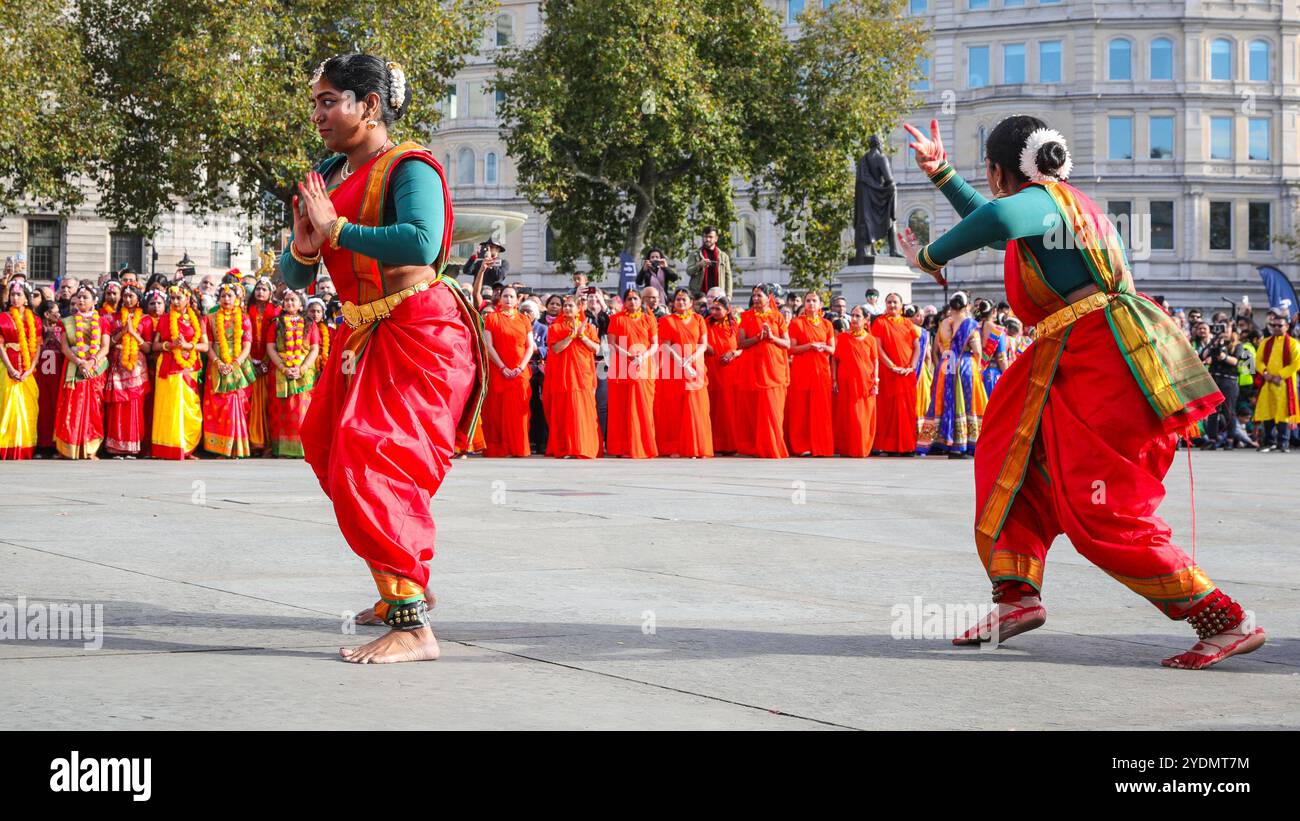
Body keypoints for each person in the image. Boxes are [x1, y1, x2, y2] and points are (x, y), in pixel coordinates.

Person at [900, 114, 1261, 668]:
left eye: (987, 174)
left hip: (1098, 360)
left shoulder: (1042, 202)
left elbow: (997, 215)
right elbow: (999, 221)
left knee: (1098, 507)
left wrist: (927, 258)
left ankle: (1223, 617)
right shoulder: (1063, 207)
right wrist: (943, 173)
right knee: (1006, 461)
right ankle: (1016, 595)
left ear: (999, 172)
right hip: (1068, 355)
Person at [282, 54, 487, 663]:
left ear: (368, 106)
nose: (317, 113)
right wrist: (303, 242)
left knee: (375, 459)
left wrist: (338, 231)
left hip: (418, 327)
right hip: (359, 332)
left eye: (329, 101)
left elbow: (422, 241)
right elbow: (296, 269)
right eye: (316, 102)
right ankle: (392, 583)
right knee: (325, 445)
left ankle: (413, 624)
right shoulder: (327, 172)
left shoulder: (409, 166)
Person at [918, 291, 985, 458]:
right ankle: (961, 444)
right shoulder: (970, 324)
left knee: (941, 401)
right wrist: (977, 365)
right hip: (964, 365)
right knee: (966, 403)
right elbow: (977, 351)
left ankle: (940, 441)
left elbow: (937, 350)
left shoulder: (943, 323)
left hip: (945, 365)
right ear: (966, 305)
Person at [54, 285, 111, 459]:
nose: (81, 300)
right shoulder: (67, 321)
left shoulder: (102, 321)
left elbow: (105, 347)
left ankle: (91, 448)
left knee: (94, 407)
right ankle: (68, 448)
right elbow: (64, 347)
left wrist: (91, 362)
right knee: (71, 405)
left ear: (95, 301)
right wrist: (80, 363)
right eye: (79, 297)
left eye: (85, 297)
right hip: (73, 365)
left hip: (95, 369)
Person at [655, 288, 713, 458]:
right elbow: (664, 344)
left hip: (695, 365)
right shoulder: (667, 321)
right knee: (676, 408)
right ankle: (677, 447)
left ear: (691, 302)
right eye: (678, 299)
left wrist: (692, 357)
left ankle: (698, 446)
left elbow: (703, 343)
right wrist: (680, 360)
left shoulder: (699, 319)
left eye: (684, 299)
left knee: (697, 407)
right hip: (674, 366)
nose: (681, 302)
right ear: (673, 302)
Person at [152, 285, 207, 459]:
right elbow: (155, 345)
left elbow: (205, 346)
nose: (175, 301)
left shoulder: (198, 320)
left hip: (189, 368)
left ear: (188, 300)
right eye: (173, 298)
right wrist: (171, 345)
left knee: (190, 408)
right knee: (169, 408)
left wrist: (187, 346)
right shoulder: (164, 319)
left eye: (179, 298)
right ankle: (170, 448)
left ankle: (188, 448)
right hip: (168, 367)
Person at [202, 283, 256, 458]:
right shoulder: (210, 318)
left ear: (237, 298)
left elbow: (247, 345)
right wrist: (218, 362)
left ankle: (235, 448)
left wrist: (234, 364)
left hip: (238, 365)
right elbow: (208, 346)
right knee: (218, 406)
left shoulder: (245, 318)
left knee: (235, 404)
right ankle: (219, 448)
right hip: (217, 365)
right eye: (223, 296)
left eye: (230, 296)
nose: (226, 299)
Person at [736, 286, 791, 458]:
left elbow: (788, 344)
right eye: (754, 296)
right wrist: (758, 338)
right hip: (753, 368)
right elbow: (741, 342)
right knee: (754, 409)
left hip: (774, 369)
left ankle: (773, 447)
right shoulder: (746, 316)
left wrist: (772, 338)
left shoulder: (778, 316)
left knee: (772, 408)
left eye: (759, 295)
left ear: (769, 297)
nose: (756, 299)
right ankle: (755, 446)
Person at [544, 294, 601, 458]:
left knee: (583, 412)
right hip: (563, 377)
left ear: (578, 309)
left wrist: (582, 336)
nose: (567, 308)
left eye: (571, 306)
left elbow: (596, 349)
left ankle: (583, 447)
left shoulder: (588, 327)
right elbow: (556, 349)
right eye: (565, 306)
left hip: (583, 376)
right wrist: (571, 335)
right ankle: (566, 448)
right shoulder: (555, 328)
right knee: (565, 412)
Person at [482, 285, 535, 457]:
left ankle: (518, 447)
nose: (508, 299)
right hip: (499, 370)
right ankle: (499, 447)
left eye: (512, 296)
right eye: (505, 296)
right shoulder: (491, 318)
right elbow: (488, 345)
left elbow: (530, 347)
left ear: (517, 299)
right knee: (497, 411)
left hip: (520, 371)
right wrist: (502, 367)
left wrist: (520, 367)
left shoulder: (524, 319)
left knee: (519, 412)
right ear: (500, 298)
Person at [605, 288, 658, 458]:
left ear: (641, 301)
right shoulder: (616, 319)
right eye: (629, 299)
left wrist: (643, 356)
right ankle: (622, 448)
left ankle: (642, 447)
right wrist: (628, 355)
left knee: (642, 407)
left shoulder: (649, 320)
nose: (632, 302)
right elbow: (611, 343)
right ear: (625, 302)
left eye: (635, 299)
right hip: (621, 365)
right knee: (621, 407)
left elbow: (654, 344)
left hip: (643, 366)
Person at [266, 290, 318, 458]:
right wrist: (283, 367)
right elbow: (270, 347)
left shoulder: (310, 323)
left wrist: (302, 368)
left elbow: (315, 348)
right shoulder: (276, 323)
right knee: (281, 410)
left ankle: (302, 449)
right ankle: (281, 449)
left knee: (302, 410)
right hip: (281, 371)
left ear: (301, 304)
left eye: (293, 300)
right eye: (286, 300)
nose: (289, 303)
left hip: (304, 371)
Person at [104, 286, 153, 458]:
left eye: (131, 296)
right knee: (117, 404)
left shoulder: (146, 320)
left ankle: (132, 447)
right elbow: (106, 345)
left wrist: (133, 333)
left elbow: (148, 348)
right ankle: (115, 447)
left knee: (134, 404)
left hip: (136, 367)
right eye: (124, 296)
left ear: (138, 298)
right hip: (117, 364)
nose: (127, 299)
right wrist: (121, 334)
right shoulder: (112, 318)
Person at [785, 291, 835, 457]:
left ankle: (821, 446)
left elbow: (833, 348)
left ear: (820, 304)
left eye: (814, 301)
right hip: (802, 371)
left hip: (822, 372)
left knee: (821, 410)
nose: (811, 304)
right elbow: (791, 348)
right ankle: (801, 446)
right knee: (801, 409)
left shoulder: (827, 324)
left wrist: (823, 347)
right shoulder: (796, 323)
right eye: (808, 301)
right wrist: (809, 346)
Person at [871, 293, 920, 455]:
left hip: (906, 373)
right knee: (889, 409)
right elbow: (878, 348)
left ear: (901, 305)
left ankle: (908, 446)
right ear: (885, 304)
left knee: (907, 409)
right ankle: (890, 446)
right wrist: (892, 366)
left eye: (895, 302)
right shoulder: (880, 322)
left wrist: (911, 367)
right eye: (889, 302)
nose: (892, 305)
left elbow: (917, 346)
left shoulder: (907, 323)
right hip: (888, 373)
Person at [0, 280, 42, 459]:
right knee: (7, 407)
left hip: (27, 371)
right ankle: (5, 446)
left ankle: (24, 446)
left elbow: (38, 347)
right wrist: (10, 368)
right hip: (7, 367)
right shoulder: (3, 317)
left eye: (19, 295)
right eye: (12, 295)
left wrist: (30, 369)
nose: (15, 298)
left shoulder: (36, 320)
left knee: (28, 408)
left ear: (26, 298)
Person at [832, 306, 879, 457]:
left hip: (865, 383)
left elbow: (875, 361)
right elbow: (835, 360)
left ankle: (862, 447)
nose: (854, 319)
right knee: (847, 415)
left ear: (866, 320)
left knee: (862, 416)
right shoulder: (843, 338)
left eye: (858, 316)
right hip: (846, 382)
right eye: (852, 316)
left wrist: (876, 381)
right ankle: (847, 448)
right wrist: (834, 379)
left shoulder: (870, 339)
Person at [1253, 312, 1299, 453]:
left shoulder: (1293, 343)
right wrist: (1265, 373)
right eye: (1273, 325)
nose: (1276, 328)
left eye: (1280, 325)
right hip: (1268, 383)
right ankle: (1269, 442)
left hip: (1284, 384)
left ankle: (1283, 443)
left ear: (1287, 326)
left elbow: (1296, 363)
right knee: (1268, 412)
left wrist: (1280, 375)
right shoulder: (1265, 342)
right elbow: (1257, 360)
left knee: (1283, 414)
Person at [245, 277, 280, 456]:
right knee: (250, 403)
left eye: (264, 289)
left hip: (270, 363)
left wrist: (266, 362)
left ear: (270, 293)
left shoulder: (277, 312)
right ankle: (252, 442)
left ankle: (266, 443)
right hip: (248, 361)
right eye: (258, 289)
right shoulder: (245, 311)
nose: (260, 292)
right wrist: (249, 360)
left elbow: (277, 340)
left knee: (267, 403)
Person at [1198, 320, 1245, 451]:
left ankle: (1230, 439)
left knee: (1229, 411)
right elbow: (1203, 356)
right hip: (1214, 379)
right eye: (1219, 328)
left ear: (1231, 330)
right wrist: (1214, 342)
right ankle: (1213, 439)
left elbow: (1236, 361)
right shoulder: (1214, 342)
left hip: (1229, 381)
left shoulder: (1237, 345)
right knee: (1213, 411)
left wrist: (1223, 357)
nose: (1222, 332)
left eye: (1225, 329)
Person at [704, 296, 742, 454]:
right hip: (711, 369)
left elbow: (743, 347)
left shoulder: (735, 325)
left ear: (728, 310)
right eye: (712, 308)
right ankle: (714, 443)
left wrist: (733, 353)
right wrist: (706, 346)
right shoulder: (706, 322)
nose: (714, 312)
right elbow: (699, 339)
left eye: (718, 309)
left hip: (730, 370)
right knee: (713, 406)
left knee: (729, 407)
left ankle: (731, 444)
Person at [35, 300, 63, 454]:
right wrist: (47, 338)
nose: (59, 315)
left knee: (55, 408)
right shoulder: (38, 328)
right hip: (42, 376)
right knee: (43, 409)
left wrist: (56, 339)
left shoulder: (61, 329)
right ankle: (42, 443)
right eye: (56, 312)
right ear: (47, 314)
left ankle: (55, 443)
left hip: (57, 376)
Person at [974, 297, 1007, 396]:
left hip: (975, 374)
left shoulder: (974, 328)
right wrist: (1007, 376)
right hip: (992, 375)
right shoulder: (998, 331)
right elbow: (1002, 358)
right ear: (994, 311)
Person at [687, 227, 733, 297]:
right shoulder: (694, 254)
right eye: (705, 237)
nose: (707, 239)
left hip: (718, 295)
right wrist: (699, 265)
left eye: (710, 237)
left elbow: (728, 277)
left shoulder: (723, 256)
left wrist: (728, 296)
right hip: (699, 295)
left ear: (716, 238)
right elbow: (689, 271)